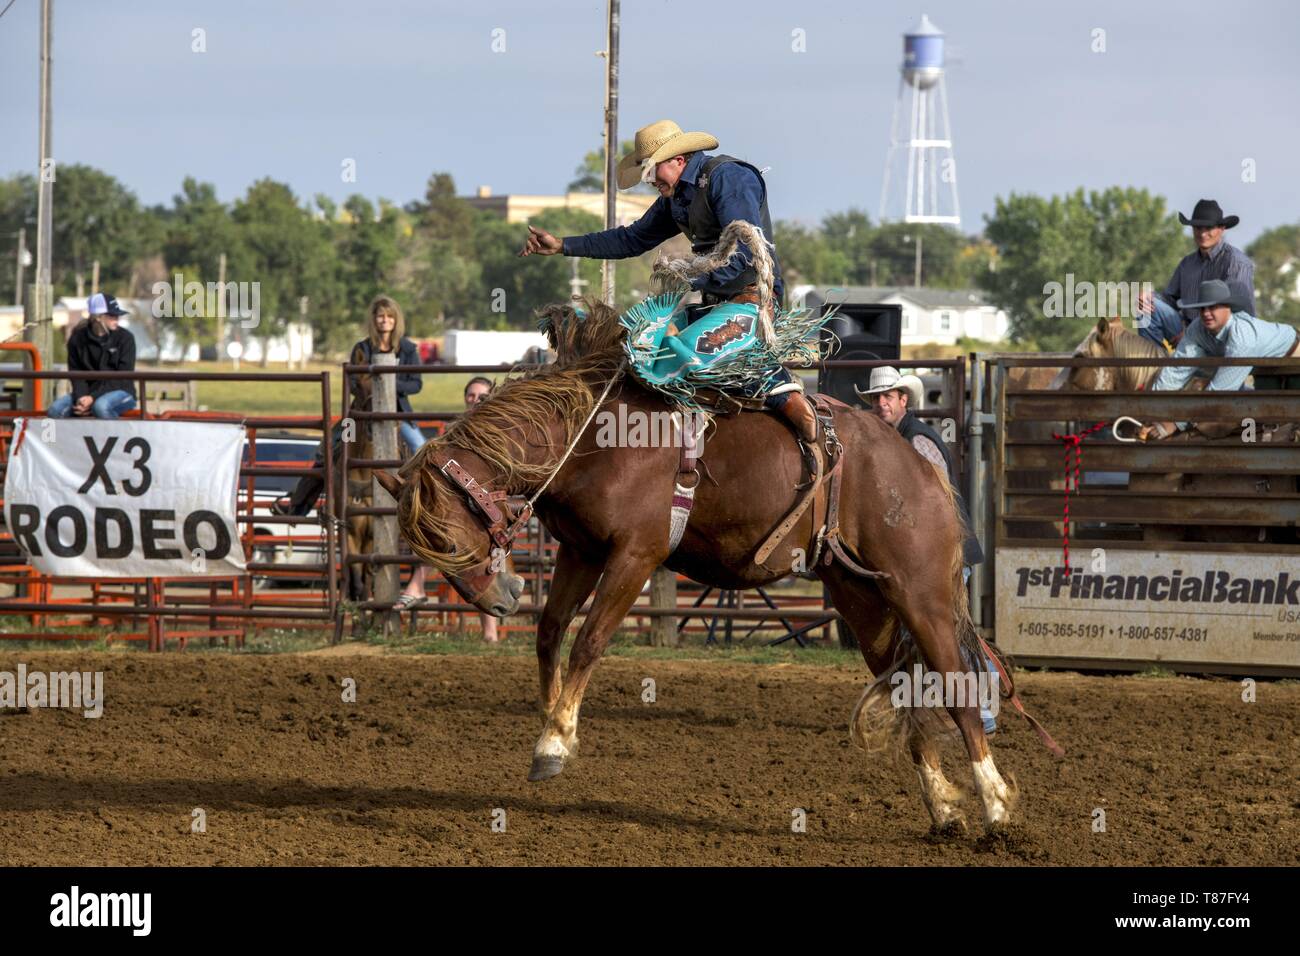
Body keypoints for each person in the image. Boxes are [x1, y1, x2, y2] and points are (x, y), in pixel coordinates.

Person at [519, 119, 818, 442]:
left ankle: (782, 390)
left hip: (753, 302)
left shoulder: (729, 179)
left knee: (686, 348)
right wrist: (564, 245)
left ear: (678, 160)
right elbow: (632, 239)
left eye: (650, 172)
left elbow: (745, 254)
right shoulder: (676, 198)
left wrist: (688, 278)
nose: (648, 181)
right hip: (714, 305)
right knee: (640, 343)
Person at [856, 366, 997, 735]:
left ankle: (982, 709)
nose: (881, 403)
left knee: (947, 633)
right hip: (923, 558)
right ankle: (958, 706)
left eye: (888, 396)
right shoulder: (896, 440)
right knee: (939, 633)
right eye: (876, 397)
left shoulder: (917, 441)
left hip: (941, 554)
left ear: (904, 400)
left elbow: (934, 507)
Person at [272, 295, 424, 516]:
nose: (385, 320)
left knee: (422, 448)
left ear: (396, 320)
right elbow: (353, 382)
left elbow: (416, 384)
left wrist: (385, 381)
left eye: (389, 316)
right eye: (380, 316)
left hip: (398, 413)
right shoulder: (362, 348)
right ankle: (298, 504)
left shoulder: (408, 349)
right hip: (360, 414)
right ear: (373, 320)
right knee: (330, 448)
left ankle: (425, 509)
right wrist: (369, 386)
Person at [395, 376, 500, 643]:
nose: (475, 400)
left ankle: (490, 633)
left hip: (492, 509)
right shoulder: (455, 432)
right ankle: (417, 585)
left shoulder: (498, 432)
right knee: (441, 533)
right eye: (471, 395)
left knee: (487, 563)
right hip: (464, 508)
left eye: (481, 396)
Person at [1138, 279, 1299, 441]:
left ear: (1227, 308)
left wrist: (1176, 423)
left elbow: (1220, 392)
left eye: (1213, 307)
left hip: (1294, 356)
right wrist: (1152, 409)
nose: (1206, 313)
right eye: (1202, 308)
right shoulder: (1197, 329)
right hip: (1264, 367)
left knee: (1291, 420)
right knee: (1267, 420)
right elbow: (1177, 370)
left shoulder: (1242, 337)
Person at [1136, 199, 1256, 349]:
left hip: (1226, 336)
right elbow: (1169, 299)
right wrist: (1147, 296)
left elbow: (1235, 312)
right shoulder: (1187, 263)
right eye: (1198, 228)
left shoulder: (1236, 263)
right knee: (1146, 307)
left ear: (1222, 228)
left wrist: (1191, 334)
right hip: (1189, 329)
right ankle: (1154, 367)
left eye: (1209, 228)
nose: (1203, 233)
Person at [47, 293, 137, 419]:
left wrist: (92, 398)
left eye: (117, 315)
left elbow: (123, 377)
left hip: (122, 392)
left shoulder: (125, 338)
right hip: (88, 394)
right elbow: (76, 373)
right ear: (98, 317)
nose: (117, 319)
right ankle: (71, 438)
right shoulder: (77, 339)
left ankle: (121, 436)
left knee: (100, 407)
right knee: (55, 410)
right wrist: (81, 397)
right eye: (112, 315)